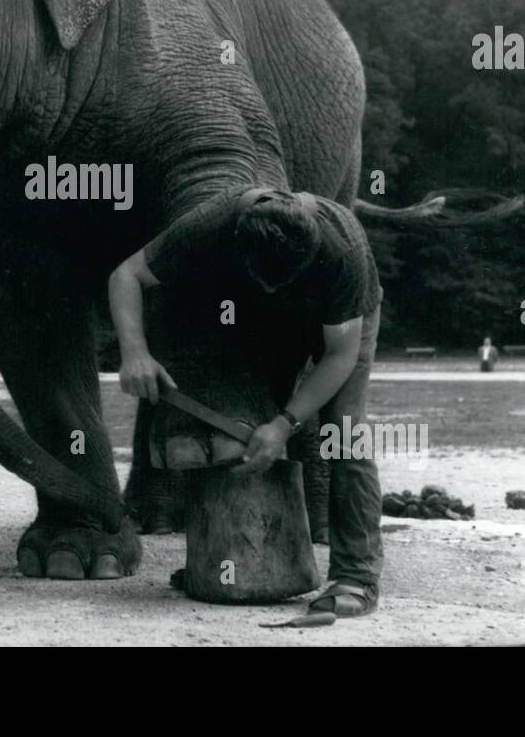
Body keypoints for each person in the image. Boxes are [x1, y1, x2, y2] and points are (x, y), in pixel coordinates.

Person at [108, 186, 384, 618]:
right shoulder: (213, 223)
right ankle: (230, 560)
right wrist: (134, 351)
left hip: (342, 325)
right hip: (260, 314)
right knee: (235, 429)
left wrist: (285, 423)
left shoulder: (342, 250)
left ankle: (358, 576)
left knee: (342, 433)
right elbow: (127, 275)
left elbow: (339, 357)